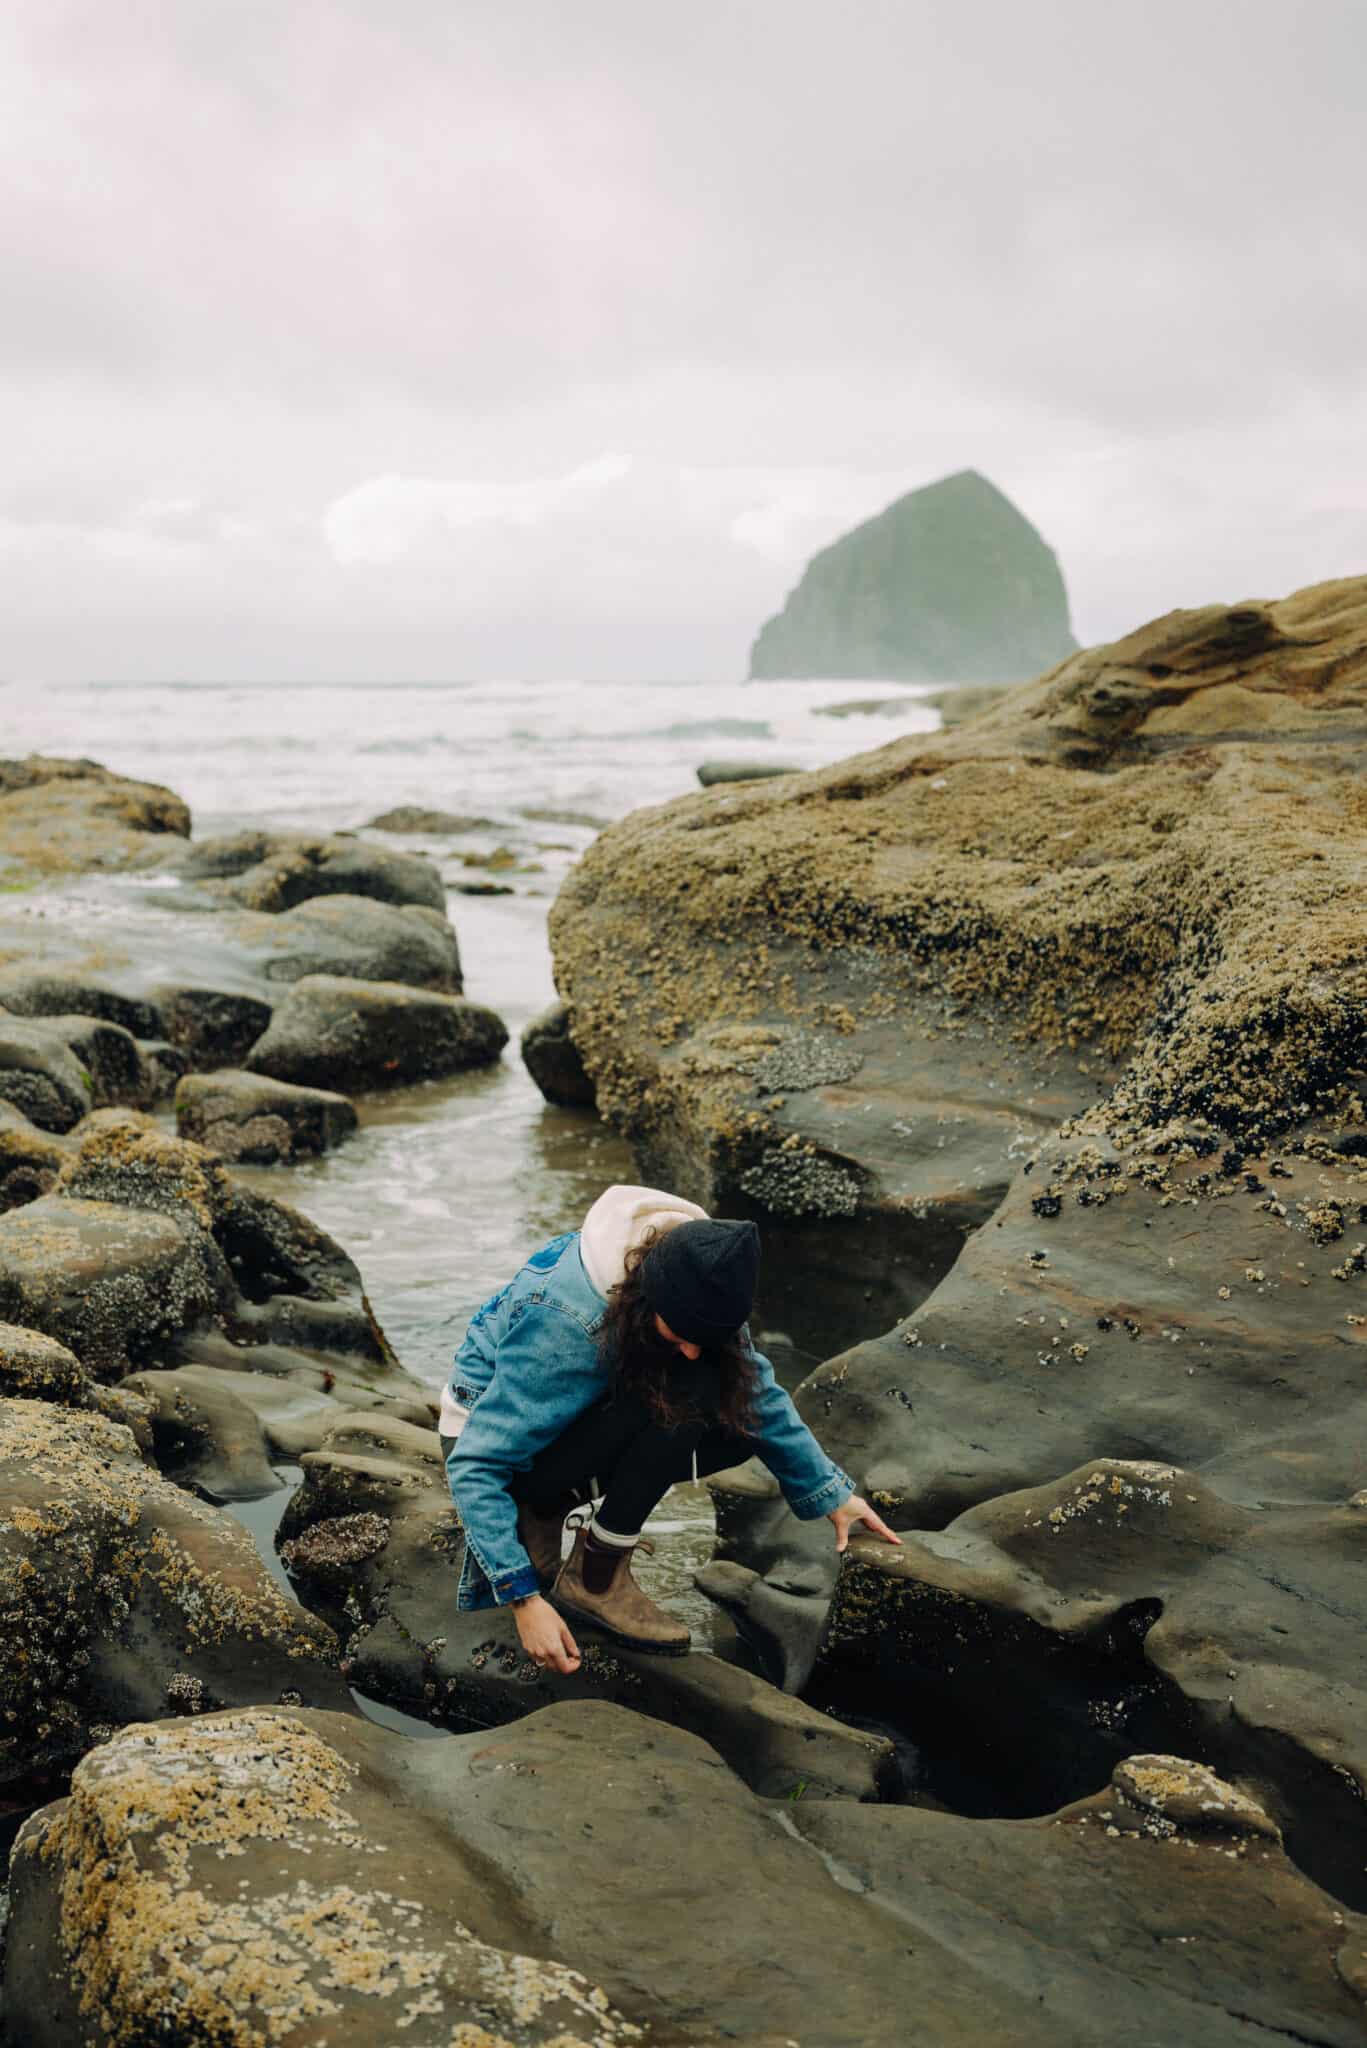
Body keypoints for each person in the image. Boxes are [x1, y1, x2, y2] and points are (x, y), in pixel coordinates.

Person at [440, 1185, 900, 1676]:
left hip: (570, 1422)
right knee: (690, 1389)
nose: (692, 1350)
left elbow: (760, 1391)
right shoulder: (568, 1321)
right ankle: (547, 1521)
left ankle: (595, 1567)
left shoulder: (707, 1277)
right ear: (646, 1295)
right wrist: (524, 1601)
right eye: (678, 1335)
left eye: (705, 1338)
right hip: (492, 1443)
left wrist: (831, 1494)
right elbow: (474, 1461)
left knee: (732, 1407)